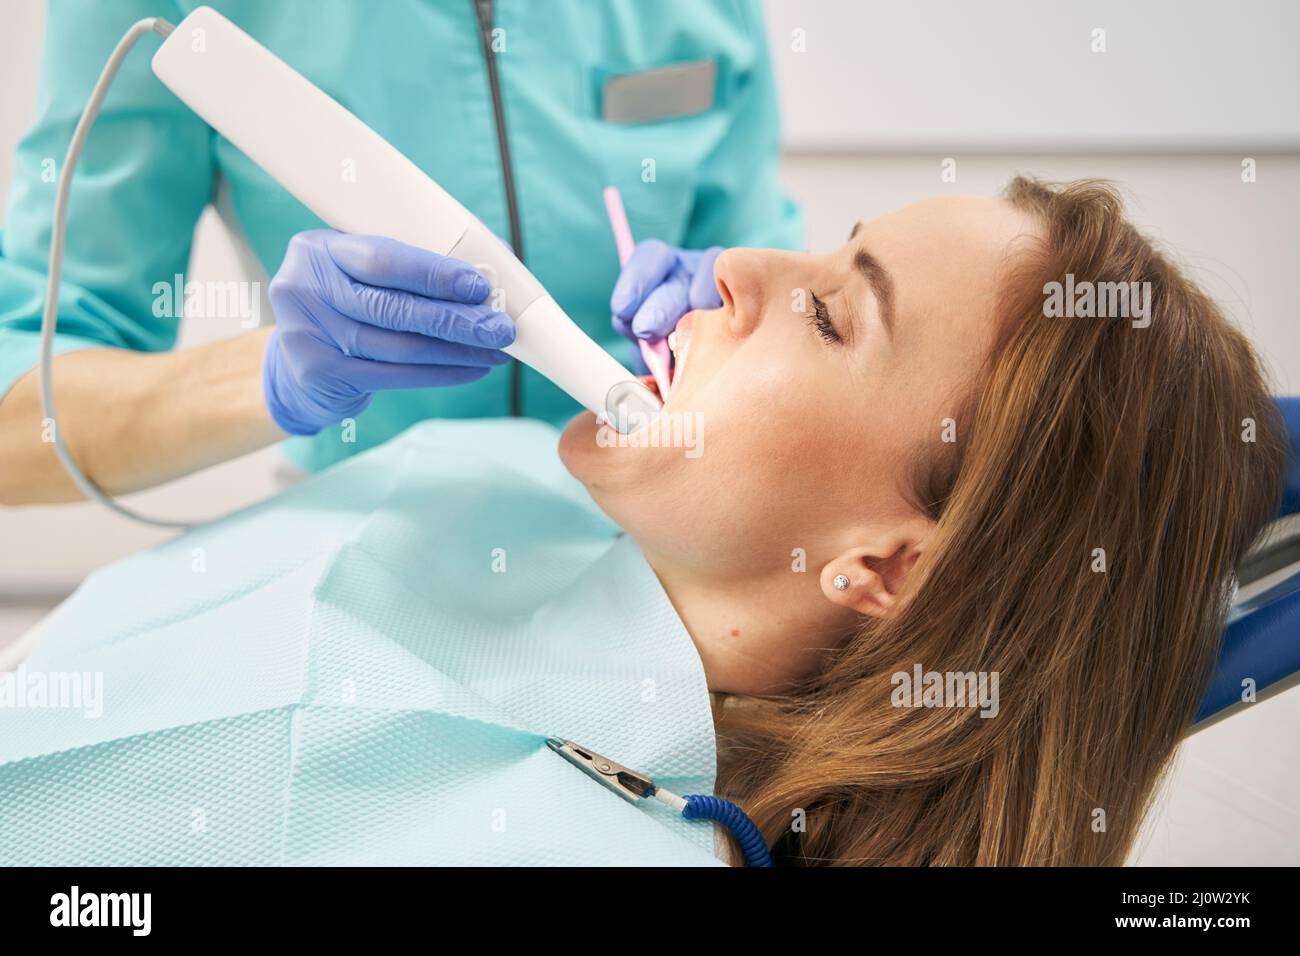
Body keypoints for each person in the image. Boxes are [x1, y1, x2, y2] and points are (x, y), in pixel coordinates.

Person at [1, 178, 1287, 865]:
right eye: (829, 249)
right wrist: (259, 375)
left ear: (886, 565)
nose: (729, 265)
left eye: (834, 310)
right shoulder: (486, 470)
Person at [0, 0, 800, 504]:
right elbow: (15, 430)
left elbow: (785, 286)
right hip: (371, 566)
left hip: (666, 555)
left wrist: (752, 315)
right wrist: (278, 373)